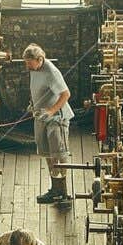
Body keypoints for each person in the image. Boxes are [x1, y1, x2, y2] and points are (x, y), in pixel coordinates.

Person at [23, 43, 73, 206]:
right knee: (47, 154)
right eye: (26, 63)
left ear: (40, 59)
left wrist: (51, 111)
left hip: (56, 118)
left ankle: (63, 193)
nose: (27, 66)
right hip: (41, 116)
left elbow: (66, 94)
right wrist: (34, 104)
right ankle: (55, 189)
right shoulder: (35, 69)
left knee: (58, 155)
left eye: (29, 63)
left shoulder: (51, 72)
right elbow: (38, 89)